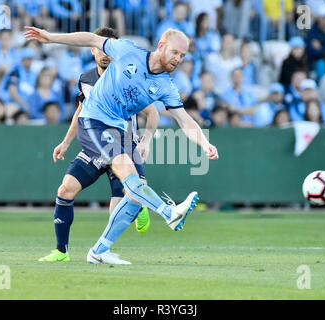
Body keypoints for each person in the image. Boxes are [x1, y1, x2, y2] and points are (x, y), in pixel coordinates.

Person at [25, 26, 218, 264]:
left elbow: (184, 120)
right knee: (126, 176)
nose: (178, 59)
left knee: (135, 194)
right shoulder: (128, 51)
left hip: (119, 132)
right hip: (94, 122)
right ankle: (169, 213)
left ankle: (99, 251)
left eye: (183, 56)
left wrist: (204, 143)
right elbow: (91, 38)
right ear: (161, 46)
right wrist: (51, 37)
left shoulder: (166, 86)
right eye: (175, 52)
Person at [35, 27, 158, 262]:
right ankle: (61, 252)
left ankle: (107, 246)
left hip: (121, 146)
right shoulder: (86, 80)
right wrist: (65, 142)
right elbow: (80, 113)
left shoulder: (126, 79)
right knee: (65, 189)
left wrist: (147, 139)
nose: (105, 54)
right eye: (100, 49)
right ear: (92, 50)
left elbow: (152, 113)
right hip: (94, 144)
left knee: (118, 209)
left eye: (108, 49)